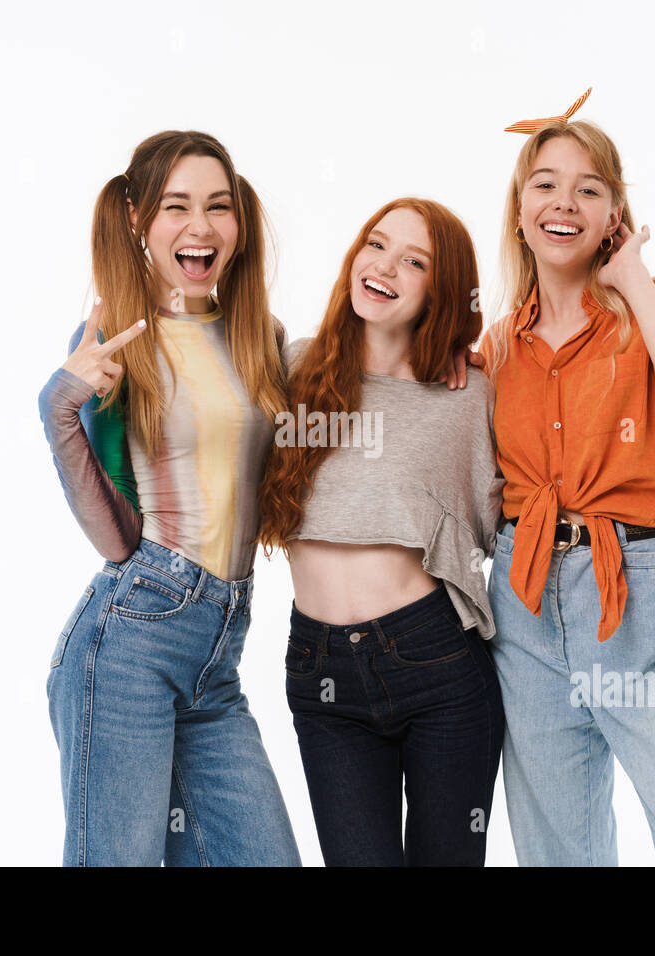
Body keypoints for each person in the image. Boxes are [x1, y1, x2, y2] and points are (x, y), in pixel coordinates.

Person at [479, 90, 655, 866]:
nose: (563, 201)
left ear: (614, 216)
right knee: (556, 850)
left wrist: (631, 277)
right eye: (545, 183)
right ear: (518, 209)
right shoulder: (496, 350)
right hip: (525, 607)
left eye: (589, 188)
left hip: (640, 595)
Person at [38, 129, 300, 866]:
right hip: (130, 640)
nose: (200, 227)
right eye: (176, 206)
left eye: (218, 207)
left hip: (218, 659)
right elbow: (117, 539)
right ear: (136, 218)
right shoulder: (113, 341)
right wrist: (60, 405)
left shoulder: (257, 336)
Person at [258, 198, 506, 866]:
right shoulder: (292, 366)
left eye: (414, 261)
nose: (385, 266)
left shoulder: (469, 392)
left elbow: (518, 504)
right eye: (377, 245)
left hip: (439, 665)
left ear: (442, 289)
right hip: (320, 672)